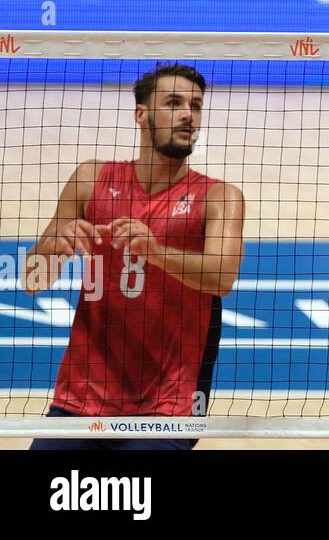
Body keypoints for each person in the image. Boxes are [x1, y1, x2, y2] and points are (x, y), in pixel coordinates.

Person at [24, 64, 246, 450]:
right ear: (141, 114)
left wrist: (156, 251)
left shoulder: (219, 198)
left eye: (195, 105)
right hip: (84, 395)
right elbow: (32, 279)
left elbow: (222, 277)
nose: (188, 115)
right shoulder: (90, 179)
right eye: (174, 103)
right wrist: (52, 247)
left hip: (168, 403)